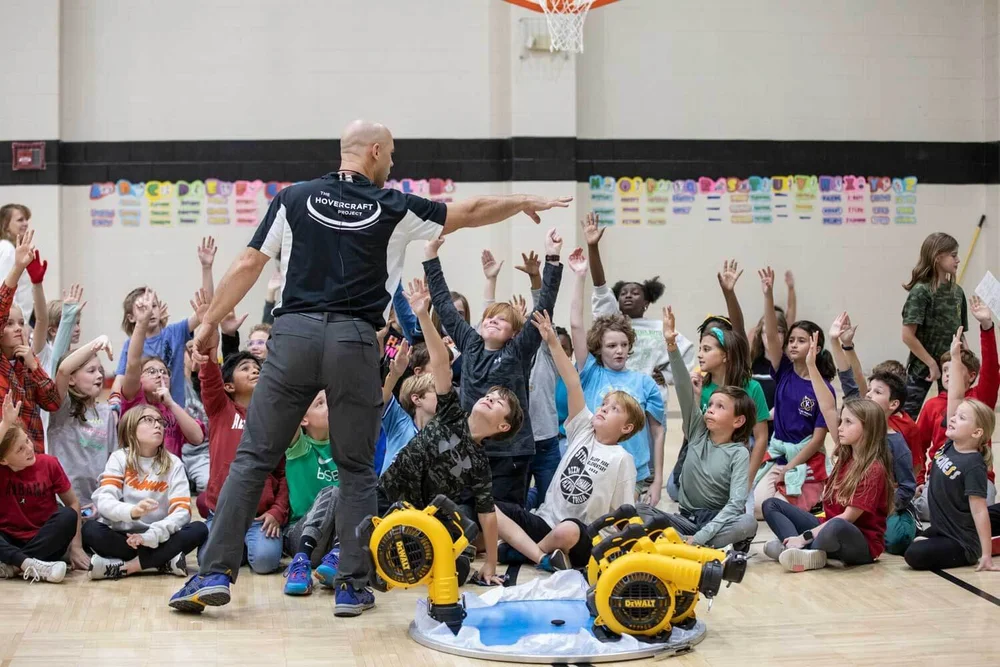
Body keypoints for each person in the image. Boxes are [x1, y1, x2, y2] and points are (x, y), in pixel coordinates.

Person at [169, 119, 570, 615]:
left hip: (291, 336)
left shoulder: (293, 197)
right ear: (375, 152)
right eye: (393, 155)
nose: (394, 164)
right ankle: (351, 584)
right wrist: (521, 201)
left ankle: (211, 574)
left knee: (252, 458)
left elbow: (250, 262)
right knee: (357, 467)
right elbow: (468, 211)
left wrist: (208, 322)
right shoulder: (394, 205)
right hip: (355, 340)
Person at [379, 277, 521, 589]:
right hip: (384, 498)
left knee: (456, 565)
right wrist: (422, 316)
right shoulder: (451, 412)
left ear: (503, 427)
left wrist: (491, 566)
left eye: (498, 402)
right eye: (489, 395)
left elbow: (487, 516)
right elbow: (441, 363)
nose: (488, 397)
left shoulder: (480, 466)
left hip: (418, 520)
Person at [494, 310, 638, 571]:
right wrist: (551, 341)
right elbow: (573, 384)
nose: (603, 408)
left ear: (627, 427)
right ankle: (540, 555)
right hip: (546, 522)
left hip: (584, 538)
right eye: (604, 404)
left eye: (614, 409)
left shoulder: (622, 460)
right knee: (491, 508)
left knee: (568, 530)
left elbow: (625, 514)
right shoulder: (583, 429)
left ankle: (524, 551)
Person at [424, 231, 562, 505]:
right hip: (468, 447)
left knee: (506, 515)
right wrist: (431, 256)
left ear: (514, 333)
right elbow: (443, 305)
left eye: (503, 320)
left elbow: (545, 305)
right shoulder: (470, 343)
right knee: (464, 511)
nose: (494, 321)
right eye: (489, 317)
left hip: (511, 453)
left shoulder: (517, 352)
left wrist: (552, 259)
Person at [762, 332, 894, 572]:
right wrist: (812, 365)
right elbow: (827, 406)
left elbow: (847, 519)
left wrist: (804, 536)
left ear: (867, 428)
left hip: (857, 542)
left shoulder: (873, 469)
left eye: (848, 423)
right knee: (771, 504)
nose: (840, 428)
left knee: (836, 527)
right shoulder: (846, 452)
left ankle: (799, 548)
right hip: (826, 526)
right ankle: (796, 551)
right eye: (841, 422)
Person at [568, 247, 665, 505]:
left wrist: (657, 481)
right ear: (599, 348)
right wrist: (579, 276)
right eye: (612, 346)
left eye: (623, 344)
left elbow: (658, 432)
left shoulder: (644, 382)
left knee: (621, 524)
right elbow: (576, 325)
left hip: (634, 472)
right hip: (591, 464)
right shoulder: (590, 372)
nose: (619, 350)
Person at [660, 307, 758, 550]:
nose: (710, 409)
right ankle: (690, 544)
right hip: (685, 519)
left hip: (714, 521)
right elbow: (683, 388)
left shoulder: (739, 452)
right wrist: (671, 346)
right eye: (709, 404)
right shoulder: (697, 431)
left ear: (738, 421)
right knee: (642, 512)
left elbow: (736, 505)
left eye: (719, 406)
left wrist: (702, 536)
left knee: (747, 522)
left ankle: (692, 546)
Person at [904, 328, 999, 572]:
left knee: (914, 553)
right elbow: (955, 396)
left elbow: (978, 511)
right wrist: (955, 359)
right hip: (946, 525)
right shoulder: (949, 444)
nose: (953, 419)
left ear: (977, 433)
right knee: (905, 542)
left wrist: (985, 555)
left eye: (961, 418)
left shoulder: (974, 464)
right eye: (954, 416)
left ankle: (985, 545)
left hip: (962, 541)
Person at [828, 312, 917, 555]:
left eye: (877, 393)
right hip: (853, 503)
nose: (868, 395)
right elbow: (847, 376)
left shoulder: (896, 443)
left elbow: (908, 485)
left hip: (881, 509)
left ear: (893, 405)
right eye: (869, 391)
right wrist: (837, 342)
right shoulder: (857, 423)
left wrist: (889, 507)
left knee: (896, 538)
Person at [85, 405, 208, 580]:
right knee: (90, 530)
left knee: (198, 529)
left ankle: (127, 567)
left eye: (160, 421)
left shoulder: (174, 463)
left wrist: (151, 536)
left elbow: (181, 512)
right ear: (131, 427)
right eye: (149, 420)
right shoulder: (119, 458)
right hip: (124, 538)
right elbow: (104, 501)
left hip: (159, 537)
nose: (158, 425)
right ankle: (163, 562)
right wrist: (132, 512)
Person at [194, 345, 288, 575]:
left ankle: (241, 547)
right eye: (245, 368)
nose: (254, 371)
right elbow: (210, 380)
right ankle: (234, 544)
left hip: (259, 517)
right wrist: (209, 344)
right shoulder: (220, 410)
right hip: (223, 516)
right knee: (207, 560)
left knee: (265, 562)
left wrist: (277, 511)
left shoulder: (272, 419)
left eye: (257, 368)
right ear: (228, 386)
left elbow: (282, 474)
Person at [753, 267, 834, 518]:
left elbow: (818, 440)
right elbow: (771, 336)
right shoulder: (784, 369)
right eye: (792, 340)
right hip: (778, 454)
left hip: (805, 460)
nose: (794, 344)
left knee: (779, 509)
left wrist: (791, 466)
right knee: (758, 508)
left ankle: (817, 493)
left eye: (801, 340)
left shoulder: (824, 389)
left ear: (816, 347)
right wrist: (767, 295)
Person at [914, 295, 998, 518]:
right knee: (925, 511)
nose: (949, 375)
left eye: (956, 369)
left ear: (971, 376)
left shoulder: (980, 399)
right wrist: (920, 479)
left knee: (984, 514)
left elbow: (991, 369)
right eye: (946, 371)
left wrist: (986, 327)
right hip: (941, 475)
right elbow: (918, 446)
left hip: (976, 477)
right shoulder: (932, 406)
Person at [111, 237, 216, 406]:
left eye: (153, 306)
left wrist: (206, 268)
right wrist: (114, 402)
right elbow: (120, 379)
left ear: (160, 309)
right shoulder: (131, 345)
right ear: (131, 317)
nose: (149, 311)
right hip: (145, 415)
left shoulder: (175, 332)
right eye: (142, 307)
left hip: (175, 412)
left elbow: (207, 308)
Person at [0, 393, 90, 582]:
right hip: (9, 540)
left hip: (45, 540)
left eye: (27, 440)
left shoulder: (49, 464)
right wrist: (5, 424)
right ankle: (29, 565)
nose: (29, 448)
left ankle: (15, 566)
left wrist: (76, 547)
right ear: (3, 460)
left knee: (67, 515)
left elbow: (73, 503)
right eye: (20, 449)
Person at [121, 290, 207, 459]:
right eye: (151, 371)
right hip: (138, 477)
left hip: (169, 477)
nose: (159, 375)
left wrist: (172, 404)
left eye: (163, 372)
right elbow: (132, 363)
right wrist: (141, 323)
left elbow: (198, 438)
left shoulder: (172, 409)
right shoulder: (134, 402)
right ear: (140, 378)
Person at [0, 230, 61, 453]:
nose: (18, 328)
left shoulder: (28, 362)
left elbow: (53, 403)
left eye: (21, 322)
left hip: (32, 455)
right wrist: (17, 268)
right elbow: (2, 304)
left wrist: (34, 367)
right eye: (9, 323)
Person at [282, 391, 342, 596]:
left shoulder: (345, 446)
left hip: (333, 540)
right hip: (299, 535)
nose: (329, 406)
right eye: (320, 404)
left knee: (356, 491)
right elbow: (288, 410)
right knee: (334, 491)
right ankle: (300, 562)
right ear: (304, 419)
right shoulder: (300, 447)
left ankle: (338, 555)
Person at [901, 232, 966, 419]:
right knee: (906, 418)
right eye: (953, 255)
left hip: (951, 366)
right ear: (938, 257)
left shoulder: (957, 292)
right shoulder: (921, 292)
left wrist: (966, 362)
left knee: (951, 417)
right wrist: (931, 363)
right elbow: (907, 335)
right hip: (922, 368)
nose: (958, 260)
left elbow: (960, 334)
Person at [47, 335, 119, 504]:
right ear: (71, 379)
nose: (100, 375)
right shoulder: (62, 408)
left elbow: (113, 459)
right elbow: (63, 370)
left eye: (100, 370)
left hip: (99, 502)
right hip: (64, 502)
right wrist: (96, 343)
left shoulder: (107, 412)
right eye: (91, 371)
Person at [0, 204, 36, 324]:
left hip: (19, 319)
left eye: (26, 219)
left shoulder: (11, 248)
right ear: (5, 224)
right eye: (20, 220)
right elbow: (5, 287)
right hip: (13, 320)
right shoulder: (7, 248)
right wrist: (15, 324)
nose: (25, 223)